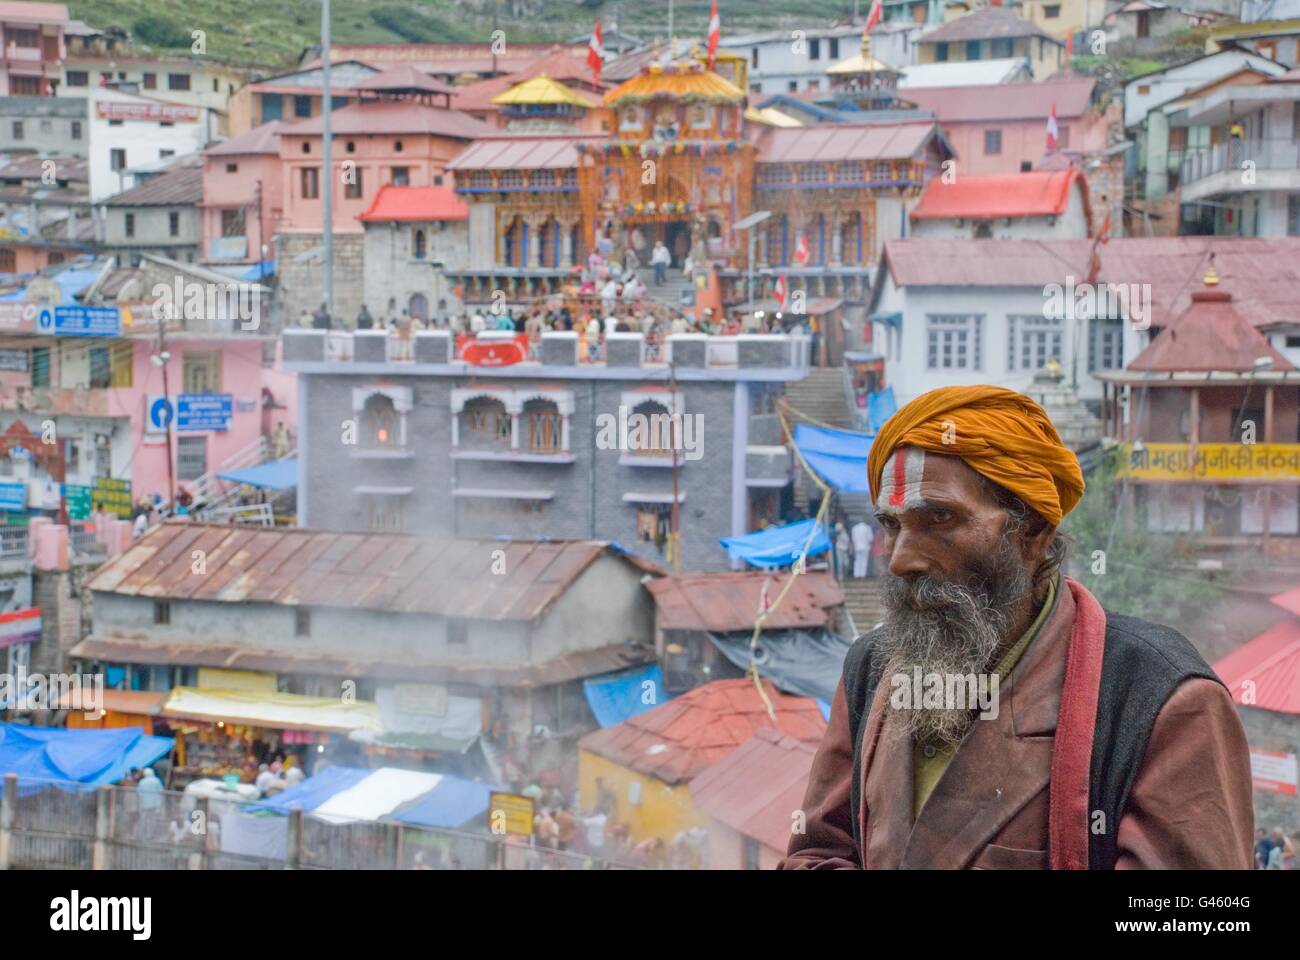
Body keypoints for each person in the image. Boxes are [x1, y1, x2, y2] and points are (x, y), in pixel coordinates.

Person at [781, 385, 1255, 870]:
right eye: (892, 526)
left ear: (1032, 532)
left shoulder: (1157, 701)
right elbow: (818, 851)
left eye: (939, 518)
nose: (901, 559)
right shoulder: (872, 670)